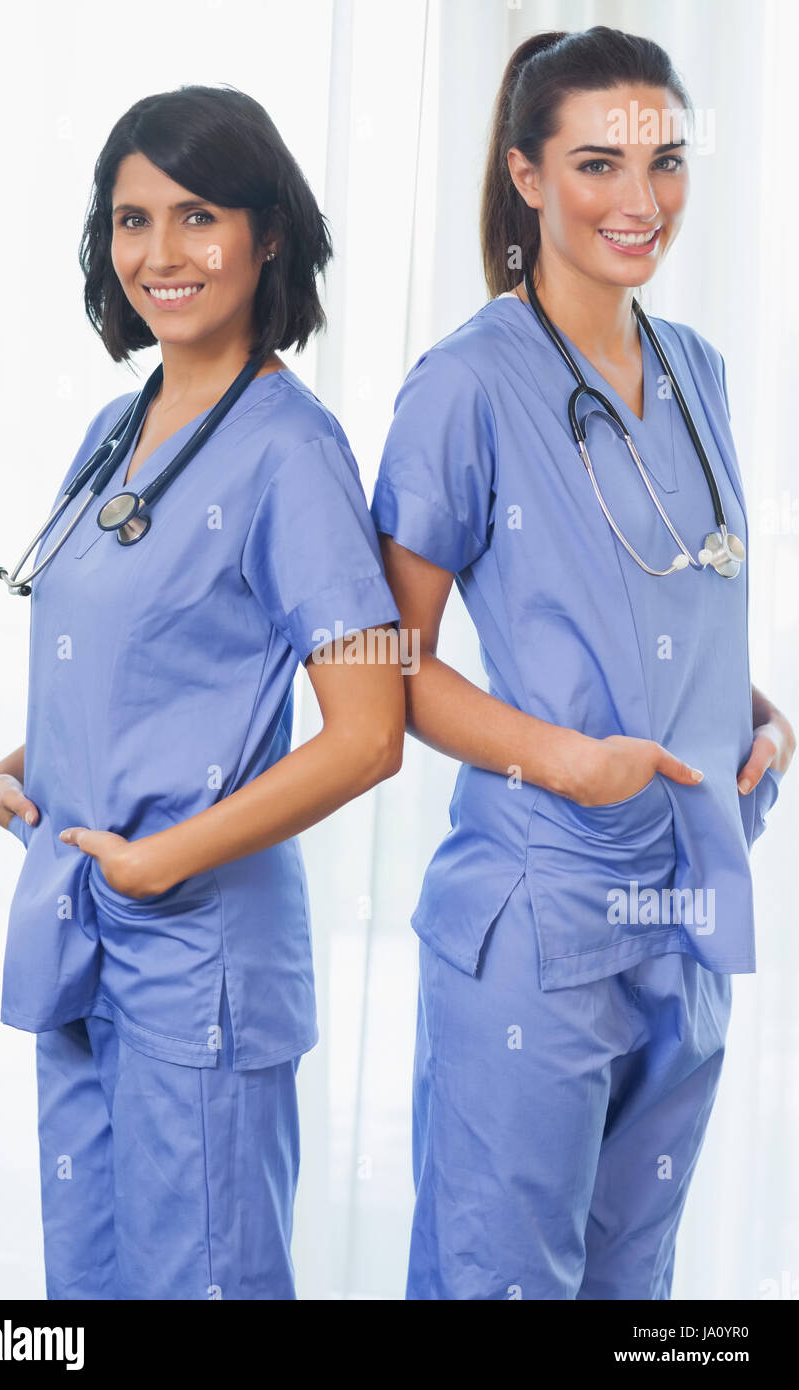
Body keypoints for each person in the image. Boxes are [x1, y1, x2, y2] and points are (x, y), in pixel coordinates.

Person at [370, 27, 794, 1300]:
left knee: (634, 1296)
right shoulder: (463, 384)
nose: (638, 199)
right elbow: (386, 661)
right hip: (536, 914)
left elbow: (673, 584)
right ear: (525, 175)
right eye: (597, 163)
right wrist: (565, 759)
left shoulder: (698, 370)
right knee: (502, 1283)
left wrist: (751, 711)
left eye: (664, 162)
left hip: (681, 904)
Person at [0, 83, 404, 1301]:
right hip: (81, 932)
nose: (158, 255)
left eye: (197, 214)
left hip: (195, 958)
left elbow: (370, 734)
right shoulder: (119, 432)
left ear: (267, 235)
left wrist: (165, 860)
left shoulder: (293, 451)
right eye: (129, 220)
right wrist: (28, 760)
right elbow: (147, 659)